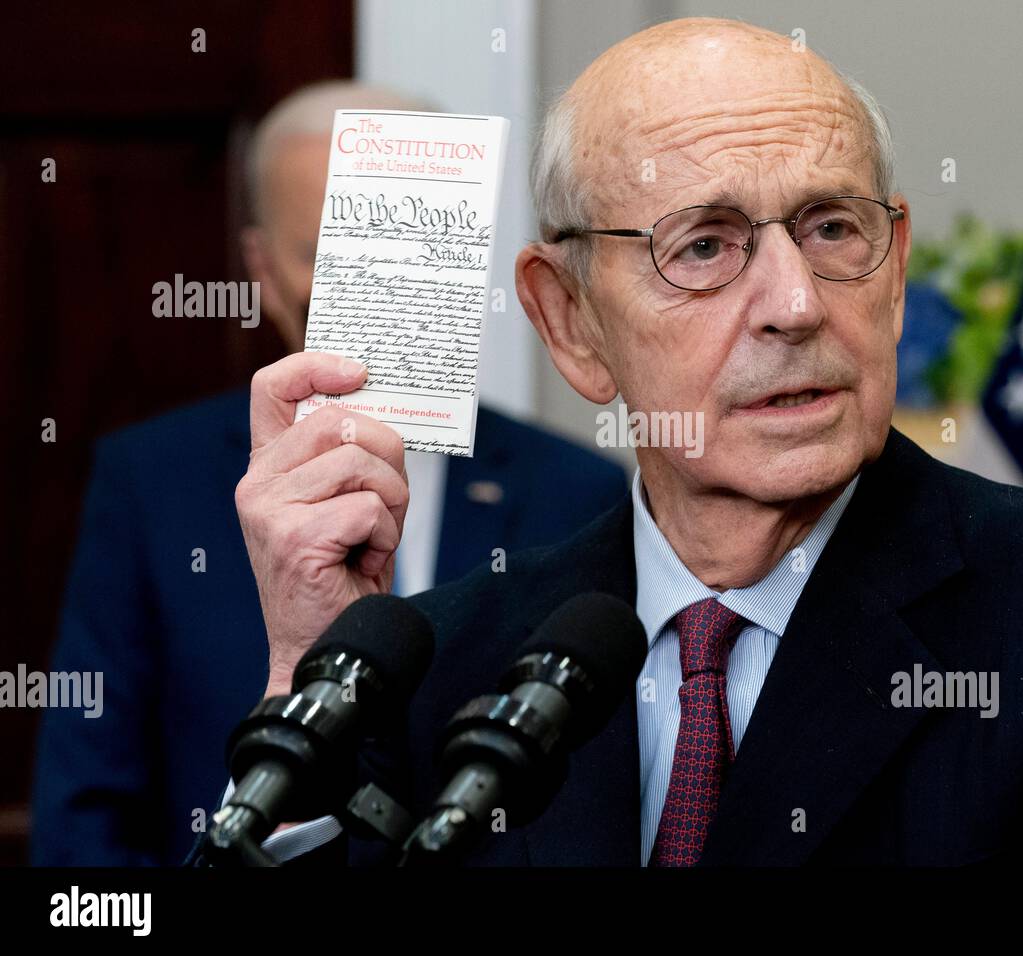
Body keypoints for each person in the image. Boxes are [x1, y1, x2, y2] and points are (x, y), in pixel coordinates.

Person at [225, 20, 1023, 866]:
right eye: (704, 246)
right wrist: (305, 683)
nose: (795, 305)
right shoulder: (451, 653)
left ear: (892, 273)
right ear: (572, 321)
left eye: (833, 229)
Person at [30, 82, 628, 866]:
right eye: (327, 253)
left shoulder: (581, 490)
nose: (368, 286)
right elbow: (84, 828)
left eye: (400, 249)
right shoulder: (151, 486)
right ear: (262, 269)